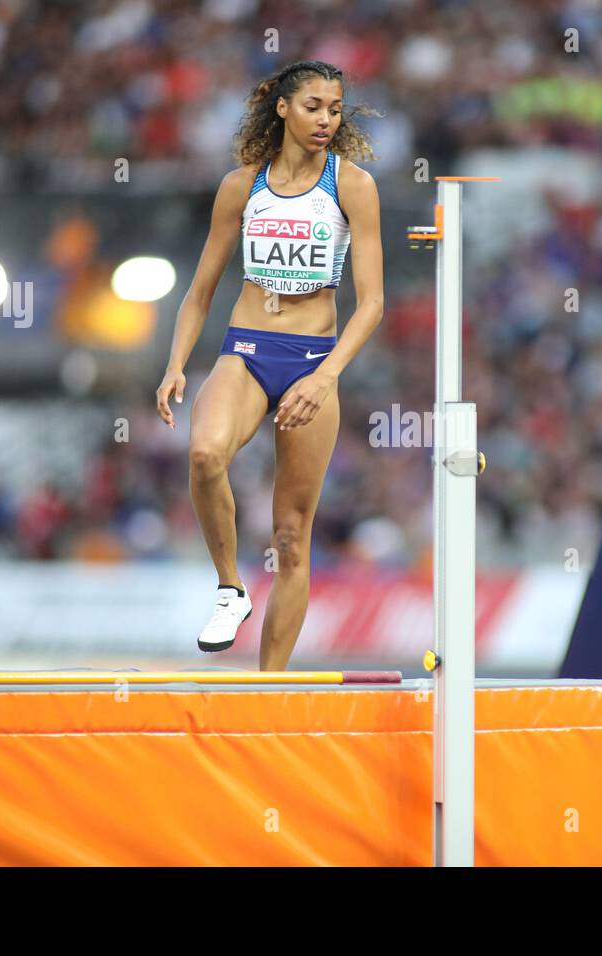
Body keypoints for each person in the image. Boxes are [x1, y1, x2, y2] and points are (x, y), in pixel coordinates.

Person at [155, 60, 383, 670]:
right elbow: (201, 290)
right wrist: (176, 363)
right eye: (313, 106)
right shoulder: (242, 186)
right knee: (205, 455)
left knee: (291, 539)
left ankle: (268, 690)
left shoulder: (352, 186)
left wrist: (326, 375)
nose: (326, 120)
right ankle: (230, 588)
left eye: (335, 109)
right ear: (282, 108)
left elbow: (373, 303)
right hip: (247, 349)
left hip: (314, 360)